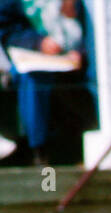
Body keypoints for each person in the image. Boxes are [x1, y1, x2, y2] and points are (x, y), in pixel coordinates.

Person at [0, 0, 88, 166]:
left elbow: (92, 31)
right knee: (34, 78)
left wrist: (80, 52)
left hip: (72, 64)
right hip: (28, 61)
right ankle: (40, 152)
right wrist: (37, 42)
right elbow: (6, 29)